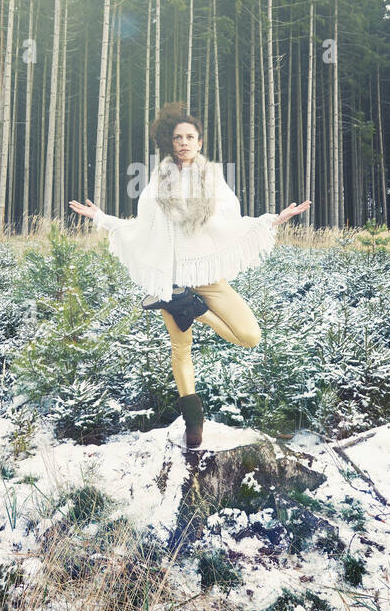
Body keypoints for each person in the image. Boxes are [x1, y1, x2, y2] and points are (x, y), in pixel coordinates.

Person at [68, 102, 310, 448]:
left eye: (190, 137)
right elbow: (142, 229)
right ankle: (193, 423)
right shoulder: (155, 182)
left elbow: (230, 223)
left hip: (206, 277)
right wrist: (103, 218)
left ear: (200, 142)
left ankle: (194, 307)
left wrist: (271, 220)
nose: (183, 142)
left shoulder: (214, 180)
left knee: (250, 336)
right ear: (170, 141)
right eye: (178, 136)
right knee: (181, 350)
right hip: (173, 281)